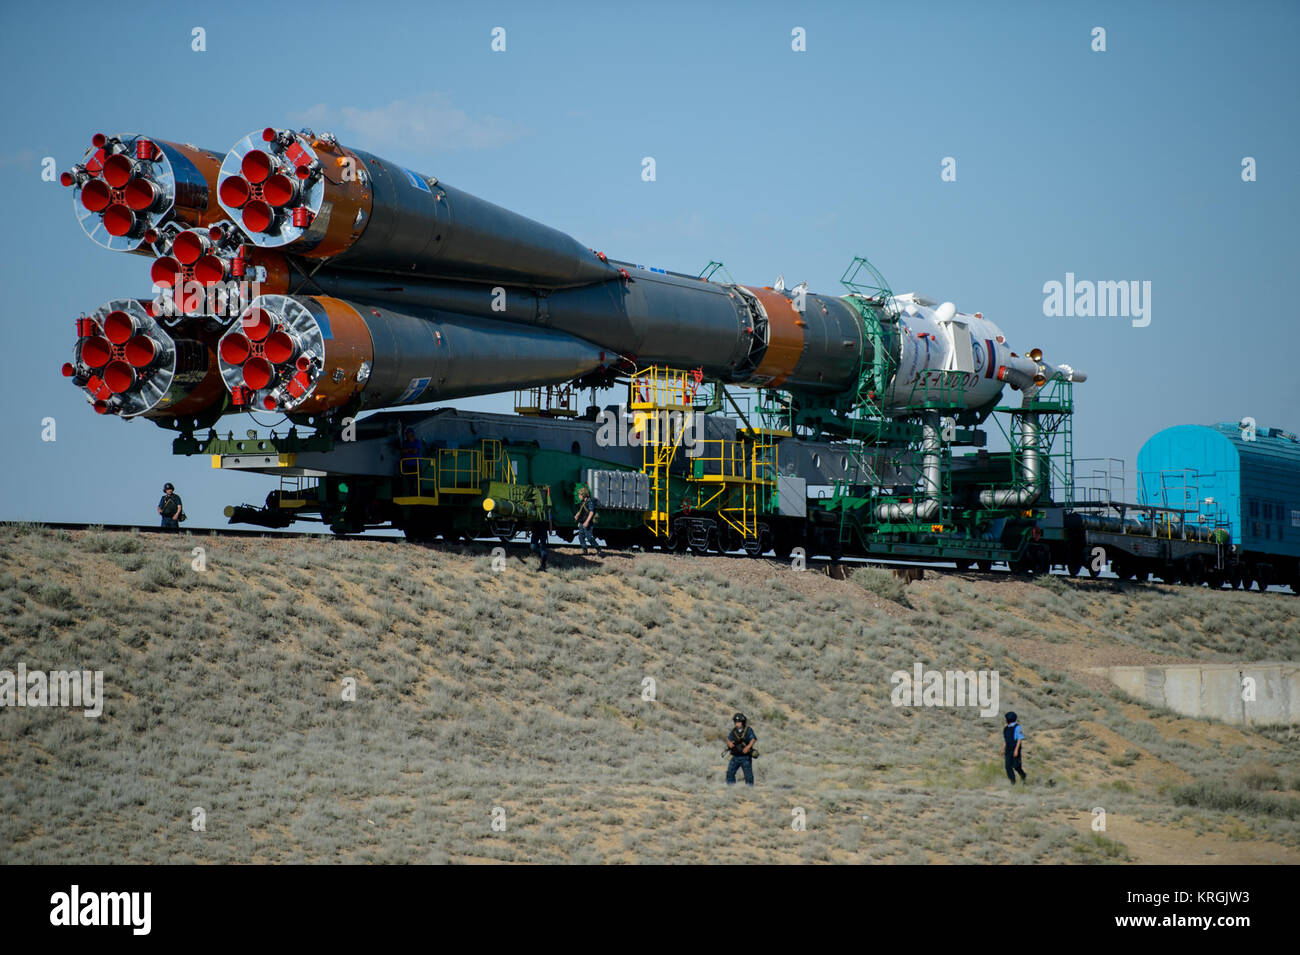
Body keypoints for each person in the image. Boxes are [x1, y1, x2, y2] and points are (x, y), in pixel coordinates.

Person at [724, 713, 757, 786]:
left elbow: (753, 739)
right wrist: (729, 743)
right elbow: (728, 739)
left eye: (738, 722)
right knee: (730, 773)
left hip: (745, 757)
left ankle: (749, 790)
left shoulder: (748, 730)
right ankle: (731, 788)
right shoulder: (734, 731)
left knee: (748, 775)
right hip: (735, 756)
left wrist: (748, 747)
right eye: (735, 722)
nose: (737, 723)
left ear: (742, 722)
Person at [530, 491, 554, 572]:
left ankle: (543, 564)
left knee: (542, 547)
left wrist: (550, 529)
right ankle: (542, 556)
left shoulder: (546, 506)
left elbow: (550, 518)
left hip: (543, 526)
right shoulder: (533, 504)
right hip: (535, 527)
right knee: (533, 546)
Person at [574, 486, 601, 555]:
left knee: (589, 537)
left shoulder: (590, 502)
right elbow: (581, 510)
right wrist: (577, 515)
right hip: (582, 522)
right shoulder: (583, 502)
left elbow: (591, 512)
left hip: (588, 523)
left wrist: (587, 522)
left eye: (580, 495)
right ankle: (584, 550)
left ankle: (598, 548)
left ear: (584, 495)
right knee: (581, 537)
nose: (579, 496)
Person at [1002, 711, 1027, 785]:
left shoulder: (1017, 727)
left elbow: (1019, 739)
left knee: (1016, 766)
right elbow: (1006, 740)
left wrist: (1016, 750)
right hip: (1008, 749)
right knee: (1008, 767)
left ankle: (1023, 776)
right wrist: (1003, 749)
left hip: (1015, 748)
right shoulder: (1006, 728)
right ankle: (1013, 782)